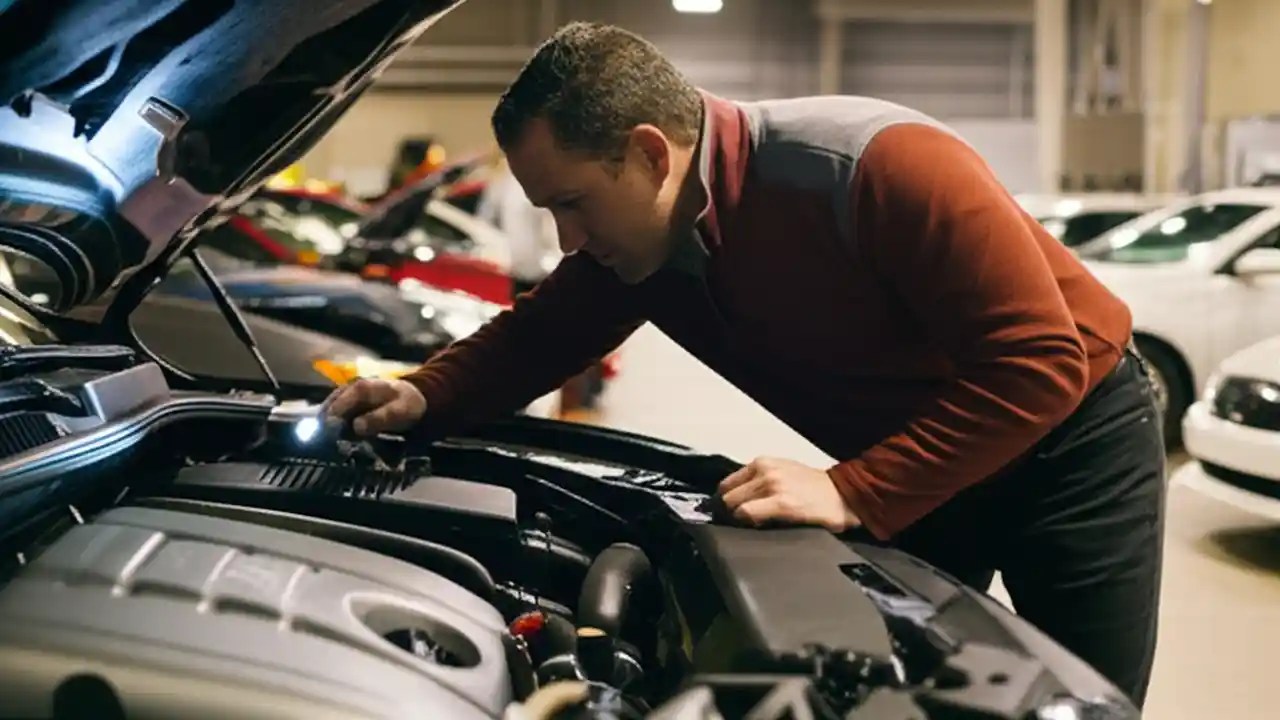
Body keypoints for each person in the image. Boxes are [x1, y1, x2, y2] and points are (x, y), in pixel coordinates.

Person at [325, 22, 1164, 706]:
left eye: (573, 203)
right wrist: (420, 397)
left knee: (1069, 701)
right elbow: (538, 338)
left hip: (1069, 446)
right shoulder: (646, 247)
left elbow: (1040, 360)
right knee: (907, 694)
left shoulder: (874, 166)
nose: (565, 241)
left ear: (652, 153)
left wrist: (852, 490)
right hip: (918, 450)